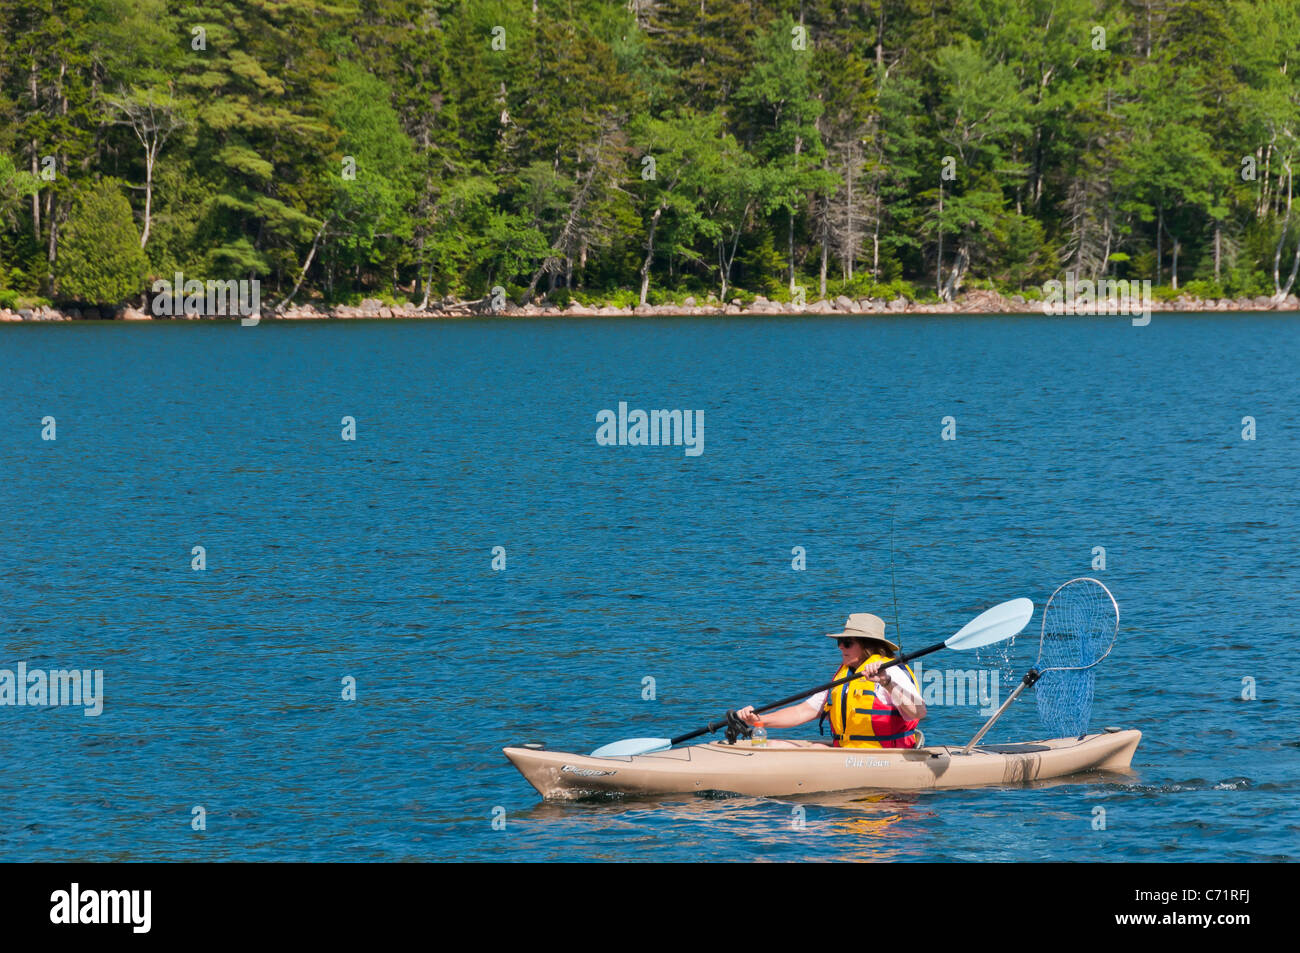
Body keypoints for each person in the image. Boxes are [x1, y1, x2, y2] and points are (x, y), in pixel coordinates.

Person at [737, 613, 926, 748]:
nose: (841, 648)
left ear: (868, 646)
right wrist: (759, 721)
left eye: (847, 643)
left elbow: (919, 712)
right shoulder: (843, 676)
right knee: (775, 745)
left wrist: (887, 682)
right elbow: (802, 711)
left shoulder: (890, 671)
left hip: (885, 757)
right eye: (839, 643)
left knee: (813, 750)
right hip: (847, 755)